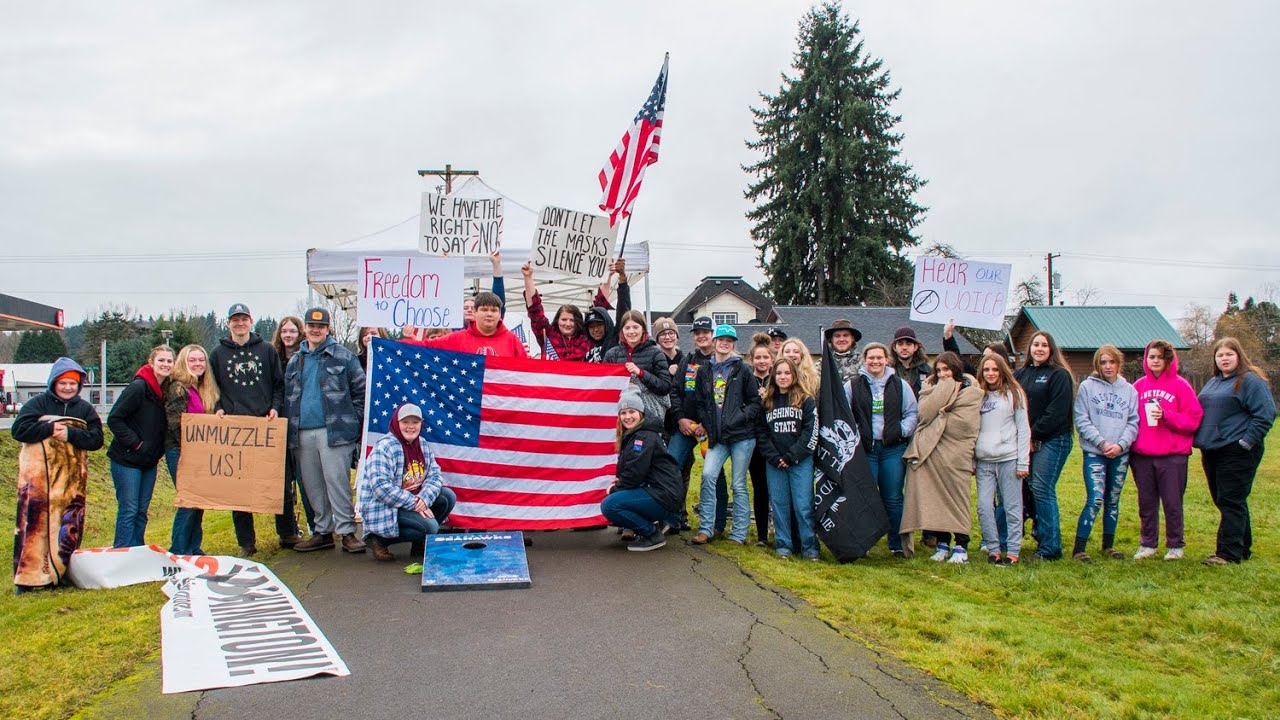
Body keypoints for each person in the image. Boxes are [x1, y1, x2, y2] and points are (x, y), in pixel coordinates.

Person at [209, 302, 298, 555]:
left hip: (266, 426)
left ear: (251, 321)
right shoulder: (217, 354)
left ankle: (287, 533)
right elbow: (212, 387)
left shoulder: (266, 350)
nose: (240, 323)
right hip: (236, 429)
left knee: (279, 482)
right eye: (235, 320)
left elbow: (278, 384)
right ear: (229, 323)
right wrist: (218, 407)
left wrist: (275, 408)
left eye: (244, 319)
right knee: (239, 488)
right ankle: (246, 542)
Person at [11, 358, 103, 593]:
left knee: (67, 527)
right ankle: (28, 578)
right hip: (38, 482)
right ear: (53, 383)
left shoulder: (84, 409)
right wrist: (50, 428)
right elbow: (19, 430)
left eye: (72, 384)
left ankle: (60, 574)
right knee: (34, 526)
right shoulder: (37, 404)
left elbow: (96, 440)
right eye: (63, 383)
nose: (68, 388)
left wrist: (71, 434)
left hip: (71, 483)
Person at [287, 307, 368, 554]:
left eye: (320, 326)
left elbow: (361, 392)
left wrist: (353, 424)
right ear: (305, 328)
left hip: (335, 432)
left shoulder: (344, 357)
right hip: (302, 432)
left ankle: (347, 532)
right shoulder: (295, 361)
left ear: (328, 329)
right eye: (311, 325)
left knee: (337, 483)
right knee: (313, 485)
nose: (315, 330)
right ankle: (322, 532)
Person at [1194, 338, 1275, 566]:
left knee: (1231, 499)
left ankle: (1227, 553)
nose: (1224, 359)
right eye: (1220, 355)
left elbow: (1265, 414)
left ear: (1239, 355)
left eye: (1229, 354)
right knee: (1225, 499)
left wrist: (1246, 442)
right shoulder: (1213, 382)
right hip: (1212, 449)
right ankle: (1242, 548)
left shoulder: (1250, 380)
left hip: (1236, 450)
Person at [901, 352, 983, 563]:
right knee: (936, 499)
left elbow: (963, 425)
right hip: (932, 453)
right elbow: (924, 414)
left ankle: (961, 545)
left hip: (956, 455)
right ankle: (943, 543)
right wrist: (942, 398)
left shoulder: (971, 392)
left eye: (947, 369)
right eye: (938, 370)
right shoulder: (929, 389)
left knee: (957, 499)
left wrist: (940, 412)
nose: (943, 374)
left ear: (956, 369)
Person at [686, 325, 762, 545]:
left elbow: (754, 402)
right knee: (708, 476)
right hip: (717, 437)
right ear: (715, 342)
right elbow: (700, 402)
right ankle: (706, 529)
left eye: (729, 340)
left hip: (742, 436)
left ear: (733, 344)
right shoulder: (704, 371)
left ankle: (738, 534)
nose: (725, 343)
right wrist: (707, 422)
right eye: (721, 339)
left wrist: (739, 417)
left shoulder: (743, 369)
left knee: (738, 484)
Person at [1130, 340, 1203, 561]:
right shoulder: (1138, 387)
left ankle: (1175, 544)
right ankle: (1147, 543)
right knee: (1146, 502)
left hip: (1172, 455)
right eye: (1151, 357)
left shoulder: (1181, 386)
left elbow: (1194, 419)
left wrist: (1167, 416)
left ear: (1168, 360)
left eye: (1160, 357)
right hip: (1143, 455)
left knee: (1172, 502)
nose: (1155, 361)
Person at [357, 403, 457, 562]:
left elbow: (435, 475)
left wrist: (424, 498)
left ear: (421, 424)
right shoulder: (385, 447)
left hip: (413, 500)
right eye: (405, 422)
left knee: (447, 496)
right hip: (385, 505)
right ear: (397, 423)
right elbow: (381, 487)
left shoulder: (422, 444)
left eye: (415, 422)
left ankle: (419, 544)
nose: (410, 427)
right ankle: (378, 539)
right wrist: (414, 503)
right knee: (431, 527)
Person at [846, 342, 919, 557]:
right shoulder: (852, 385)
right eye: (871, 358)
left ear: (887, 359)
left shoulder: (900, 385)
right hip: (865, 450)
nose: (875, 361)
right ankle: (864, 543)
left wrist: (900, 431)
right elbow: (844, 413)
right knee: (864, 498)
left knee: (893, 498)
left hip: (892, 450)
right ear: (865, 360)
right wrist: (856, 433)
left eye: (879, 357)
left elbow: (912, 413)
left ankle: (897, 544)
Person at [1071, 345, 1139, 563]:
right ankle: (1079, 548)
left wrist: (1120, 445)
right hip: (1095, 453)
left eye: (1112, 362)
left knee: (1113, 500)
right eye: (1103, 362)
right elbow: (1081, 419)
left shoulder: (1130, 391)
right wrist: (1101, 443)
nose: (1108, 366)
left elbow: (1133, 422)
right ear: (1097, 365)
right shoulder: (1087, 387)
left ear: (1119, 363)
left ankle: (1108, 545)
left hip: (1120, 453)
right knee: (1096, 498)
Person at [1013, 331, 1075, 561]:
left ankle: (1050, 548)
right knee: (1028, 489)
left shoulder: (1059, 375)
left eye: (1044, 345)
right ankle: (1038, 536)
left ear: (1051, 349)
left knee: (1042, 488)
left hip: (1053, 439)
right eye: (1035, 344)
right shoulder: (1020, 374)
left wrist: (1032, 434)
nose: (1039, 349)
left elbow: (1056, 412)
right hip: (1026, 441)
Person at [107, 345, 173, 548]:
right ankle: (122, 551)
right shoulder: (138, 387)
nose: (165, 364)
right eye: (161, 360)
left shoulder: (165, 391)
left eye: (169, 361)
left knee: (142, 510)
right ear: (151, 362)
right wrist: (135, 443)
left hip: (149, 461)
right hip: (127, 460)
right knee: (129, 509)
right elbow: (115, 418)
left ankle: (137, 549)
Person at [601, 389, 683, 552]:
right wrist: (621, 482)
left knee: (610, 505)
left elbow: (635, 473)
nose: (627, 417)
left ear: (641, 412)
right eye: (623, 413)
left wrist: (616, 488)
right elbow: (634, 469)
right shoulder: (638, 433)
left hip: (664, 495)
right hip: (661, 492)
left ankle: (652, 534)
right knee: (616, 499)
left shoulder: (643, 437)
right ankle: (658, 522)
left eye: (632, 411)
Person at [667, 316, 726, 534]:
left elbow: (722, 399)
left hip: (710, 429)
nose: (701, 336)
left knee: (715, 474)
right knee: (670, 466)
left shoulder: (721, 363)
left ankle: (718, 524)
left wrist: (706, 424)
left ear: (713, 335)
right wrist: (680, 418)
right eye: (697, 333)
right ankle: (671, 519)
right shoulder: (688, 361)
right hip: (685, 427)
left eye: (705, 332)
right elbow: (674, 391)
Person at [757, 356, 818, 559]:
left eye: (787, 373)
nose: (783, 377)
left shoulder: (806, 400)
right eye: (779, 373)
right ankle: (783, 545)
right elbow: (761, 433)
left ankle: (809, 546)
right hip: (775, 463)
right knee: (779, 504)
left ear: (794, 375)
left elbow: (810, 432)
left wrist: (792, 456)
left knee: (803, 505)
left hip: (800, 461)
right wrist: (774, 457)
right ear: (773, 376)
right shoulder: (767, 401)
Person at [163, 344, 220, 556]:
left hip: (199, 452)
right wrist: (191, 451)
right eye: (192, 360)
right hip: (180, 451)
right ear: (183, 362)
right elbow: (175, 423)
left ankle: (193, 547)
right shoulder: (178, 387)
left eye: (201, 360)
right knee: (188, 500)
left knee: (198, 501)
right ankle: (178, 550)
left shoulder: (202, 388)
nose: (197, 364)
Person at [974, 354, 1030, 565]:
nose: (990, 373)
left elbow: (1023, 428)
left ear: (1002, 371)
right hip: (984, 460)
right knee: (983, 506)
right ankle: (993, 549)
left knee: (1012, 507)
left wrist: (1023, 462)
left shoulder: (1014, 394)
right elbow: (971, 429)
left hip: (1008, 458)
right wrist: (972, 459)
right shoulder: (978, 396)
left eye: (995, 369)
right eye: (987, 369)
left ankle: (1013, 551)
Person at [272, 316, 316, 535]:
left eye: (292, 331)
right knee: (281, 482)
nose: (288, 335)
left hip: (301, 425)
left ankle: (315, 525)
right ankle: (287, 530)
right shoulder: (273, 359)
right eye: (284, 331)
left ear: (300, 333)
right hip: (278, 424)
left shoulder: (307, 357)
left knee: (306, 479)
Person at [603, 311, 673, 432]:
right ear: (622, 330)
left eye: (635, 327)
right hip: (619, 416)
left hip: (648, 417)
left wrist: (641, 373)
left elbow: (665, 386)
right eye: (627, 328)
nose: (631, 332)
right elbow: (604, 385)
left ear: (643, 329)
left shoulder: (656, 353)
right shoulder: (611, 355)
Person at [401, 291, 528, 357]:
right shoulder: (458, 338)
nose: (489, 314)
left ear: (500, 314)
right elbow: (428, 347)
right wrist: (410, 340)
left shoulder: (512, 340)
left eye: (494, 310)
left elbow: (527, 370)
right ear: (475, 312)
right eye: (484, 310)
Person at [522, 262, 594, 361]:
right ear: (557, 320)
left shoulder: (586, 337)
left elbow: (601, 310)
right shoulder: (548, 334)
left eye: (572, 320)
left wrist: (608, 277)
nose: (568, 324)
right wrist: (528, 277)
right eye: (564, 319)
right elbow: (535, 311)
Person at [746, 333, 775, 545]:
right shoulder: (747, 380)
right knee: (760, 487)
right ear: (752, 360)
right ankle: (762, 534)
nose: (762, 361)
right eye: (758, 357)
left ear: (771, 360)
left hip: (775, 440)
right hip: (753, 440)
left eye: (765, 357)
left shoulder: (778, 379)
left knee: (777, 488)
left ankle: (780, 529)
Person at [585, 260, 632, 363]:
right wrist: (607, 276)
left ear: (606, 324)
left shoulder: (614, 338)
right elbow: (600, 305)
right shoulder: (585, 344)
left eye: (599, 325)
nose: (596, 330)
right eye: (591, 327)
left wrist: (622, 279)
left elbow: (623, 311)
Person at [890, 326, 931, 398]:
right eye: (900, 344)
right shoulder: (887, 370)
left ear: (915, 347)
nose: (904, 347)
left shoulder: (927, 370)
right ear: (894, 347)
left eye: (908, 344)